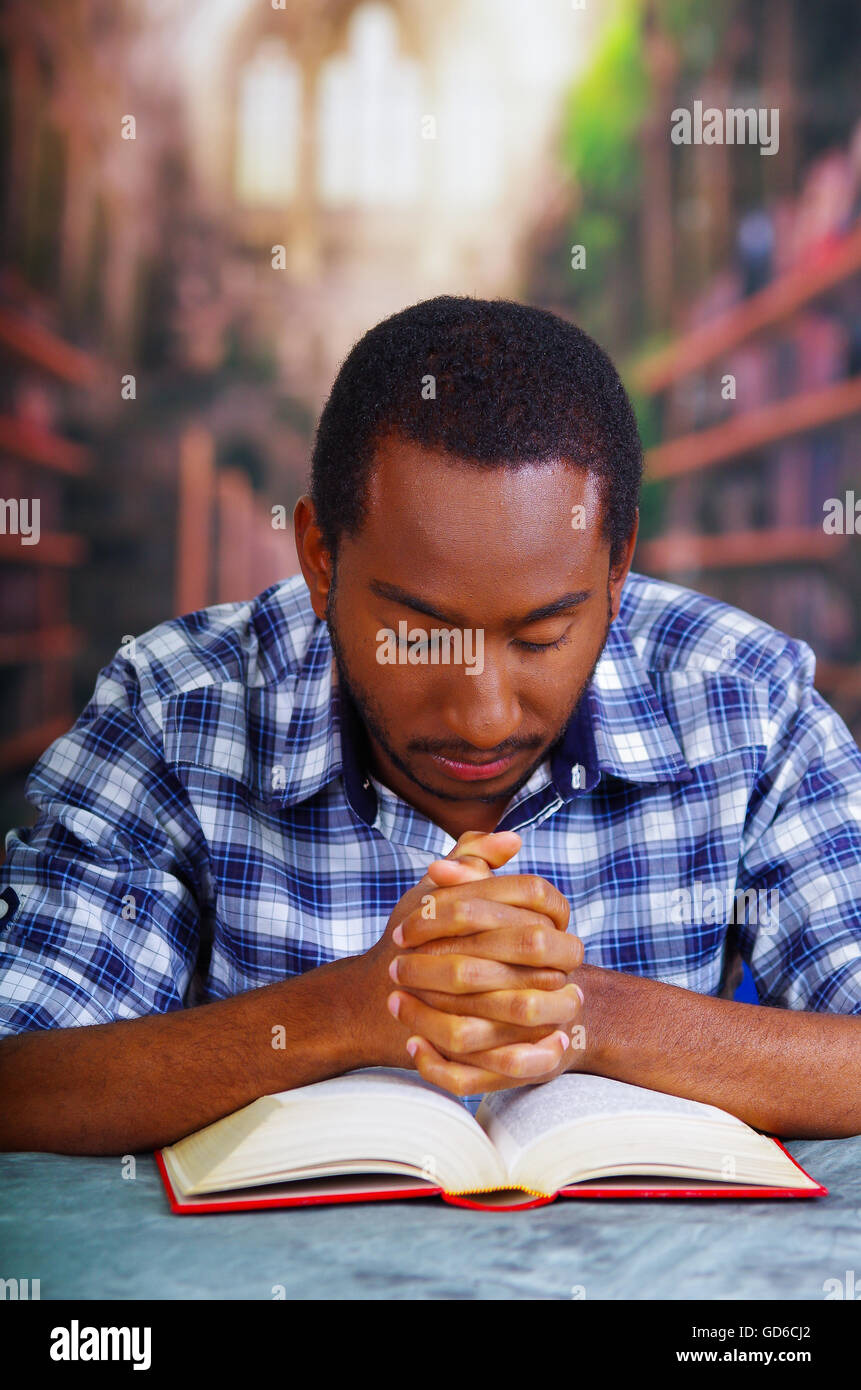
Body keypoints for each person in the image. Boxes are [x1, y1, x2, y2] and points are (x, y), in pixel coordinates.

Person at [1, 295, 859, 1155]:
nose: (482, 717)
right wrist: (349, 1010)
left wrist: (580, 1010)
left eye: (542, 635)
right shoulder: (175, 709)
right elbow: (23, 1077)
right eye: (420, 634)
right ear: (319, 560)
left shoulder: (745, 700)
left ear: (617, 566)